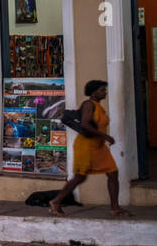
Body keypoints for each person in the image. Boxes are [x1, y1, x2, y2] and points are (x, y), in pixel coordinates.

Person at [49, 80, 132, 217]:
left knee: (112, 172)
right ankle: (56, 201)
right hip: (86, 145)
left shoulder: (99, 107)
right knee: (79, 177)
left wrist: (102, 138)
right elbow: (85, 125)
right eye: (101, 90)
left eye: (104, 90)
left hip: (99, 146)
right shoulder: (88, 105)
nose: (104, 92)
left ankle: (115, 207)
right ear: (93, 92)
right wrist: (105, 136)